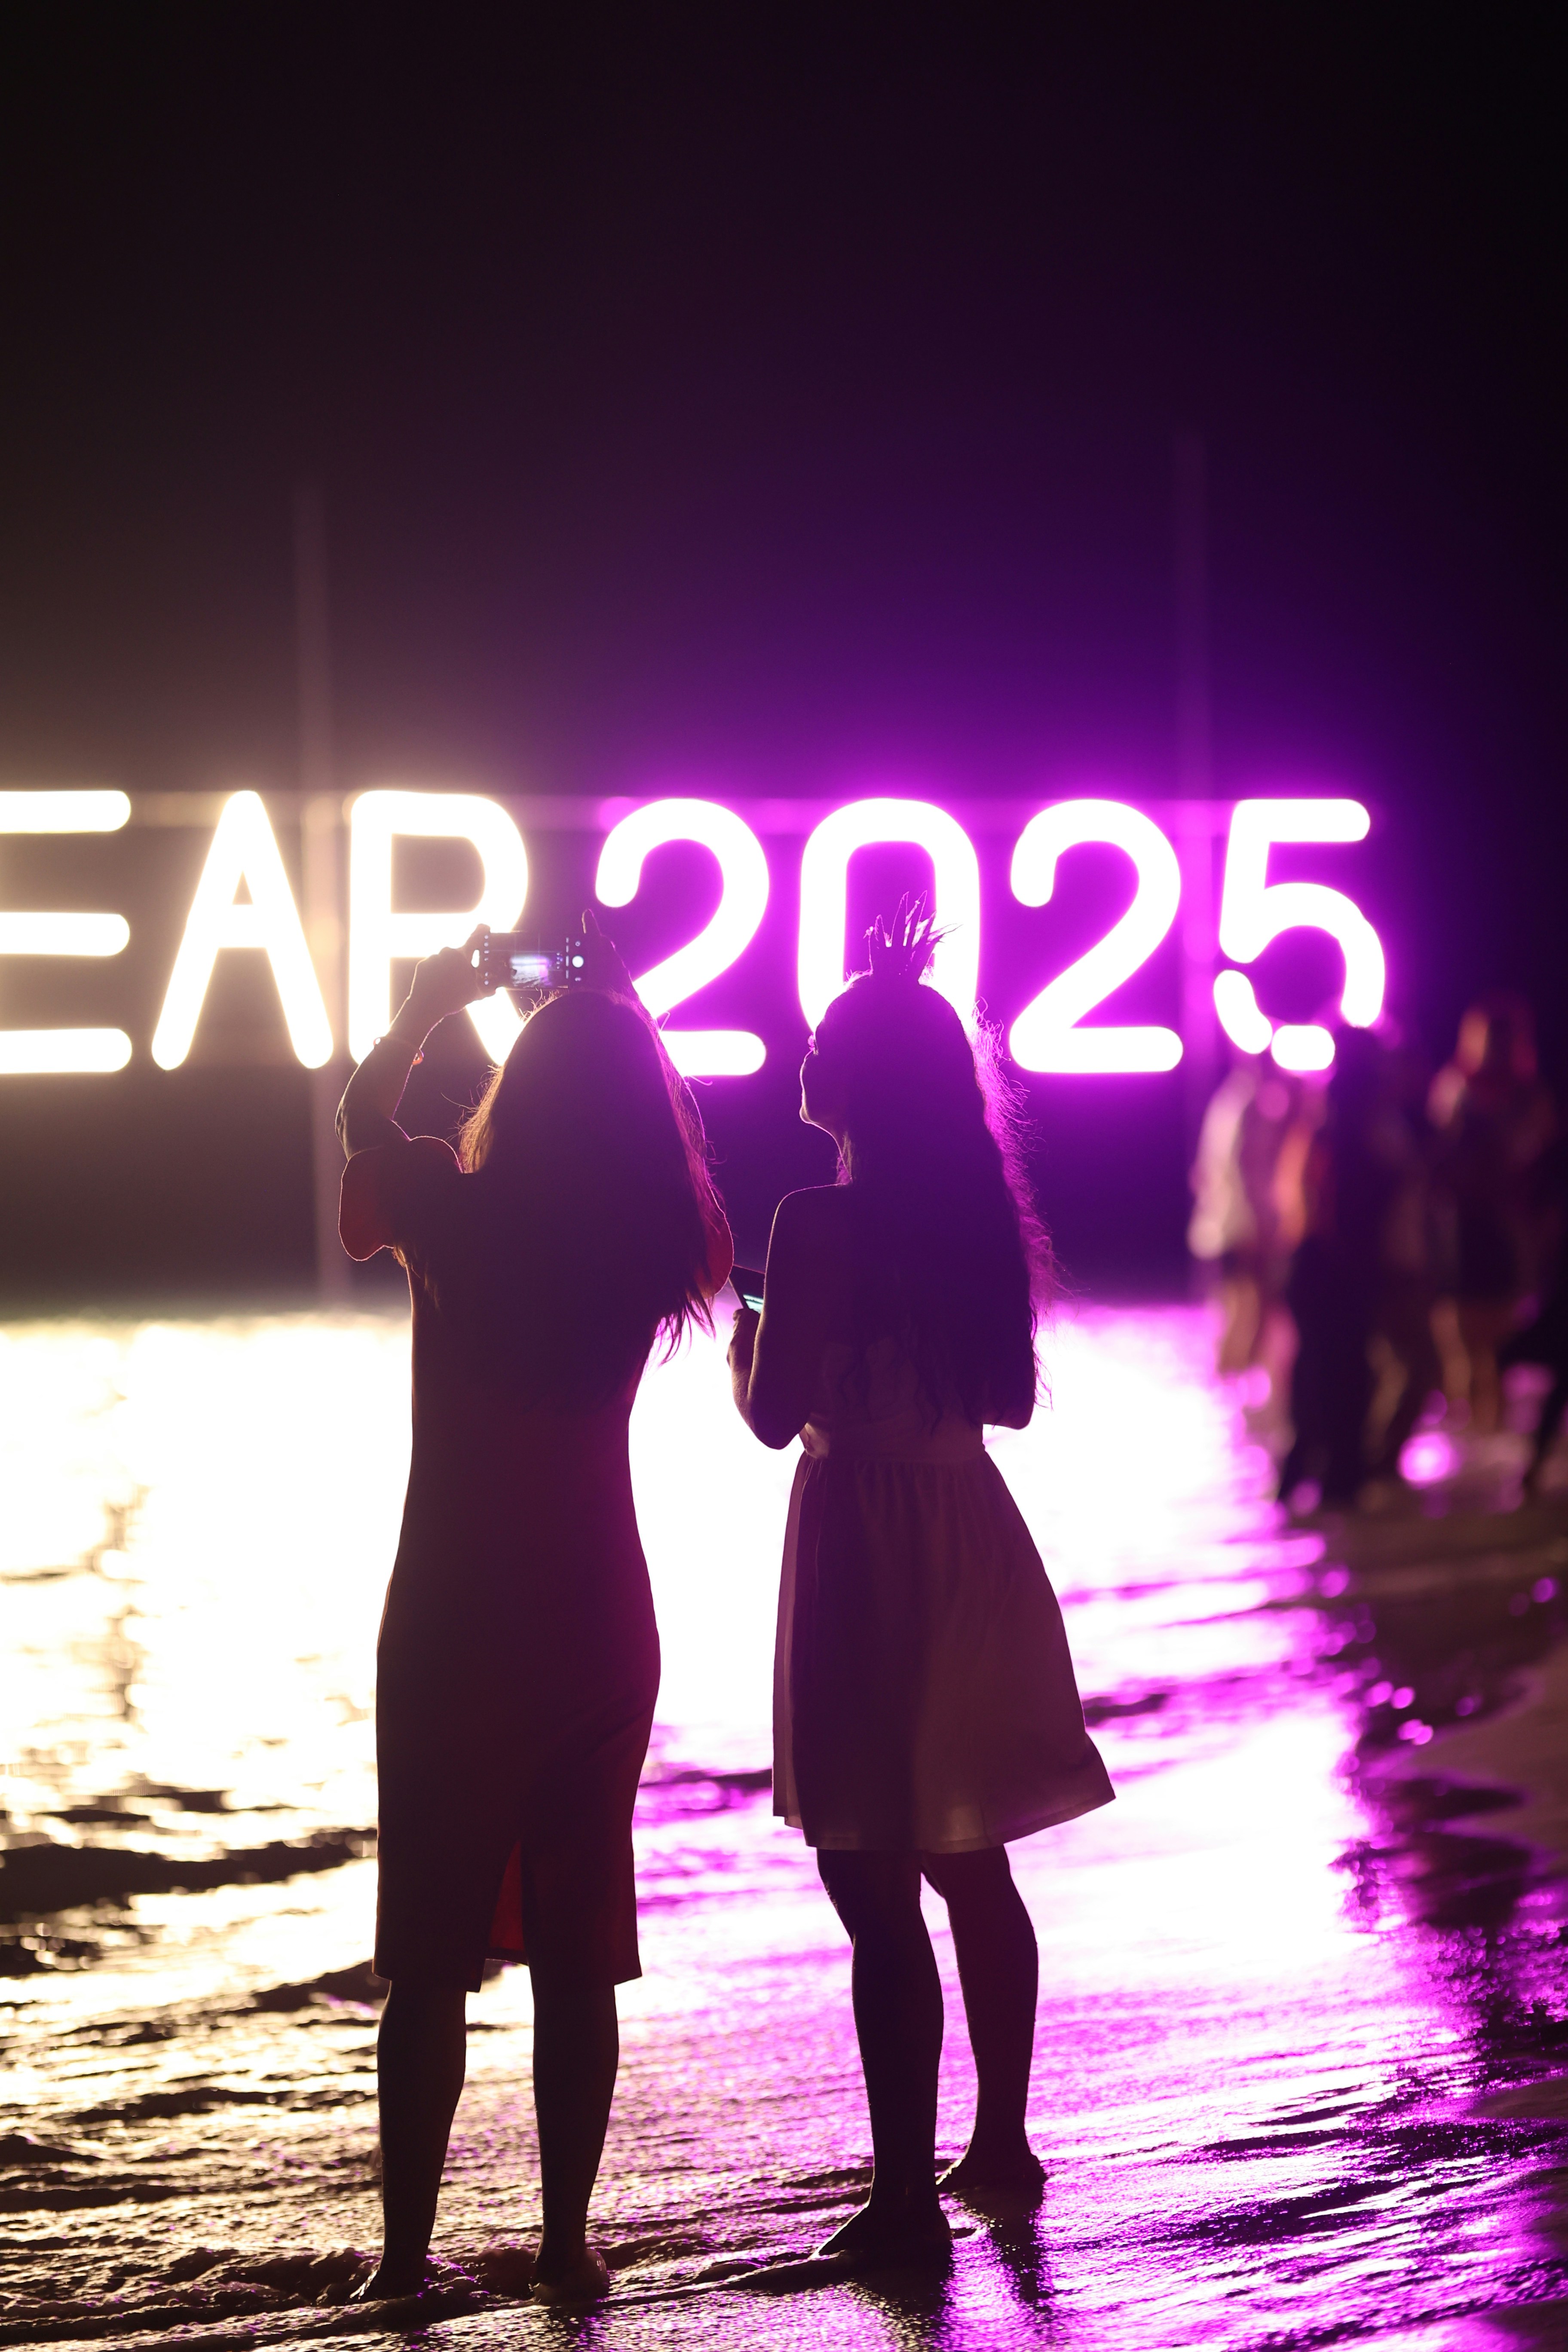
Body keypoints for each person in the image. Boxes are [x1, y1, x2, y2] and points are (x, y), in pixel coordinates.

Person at [336, 919, 731, 2305]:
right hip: (599, 1617)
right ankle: (568, 2245)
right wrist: (611, 1012)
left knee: (428, 1958)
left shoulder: (450, 1208)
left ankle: (401, 2261)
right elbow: (657, 1156)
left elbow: (358, 1133)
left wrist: (433, 1005)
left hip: (454, 1610)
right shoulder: (656, 1236)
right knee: (579, 1951)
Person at [728, 905, 1113, 2266]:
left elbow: (773, 1420)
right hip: (968, 1527)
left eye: (824, 1037)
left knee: (871, 1876)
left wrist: (756, 1324)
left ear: (861, 1081)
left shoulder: (809, 1222)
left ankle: (901, 2201)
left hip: (863, 1542)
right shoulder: (973, 1221)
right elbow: (1005, 1398)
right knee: (972, 1859)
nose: (802, 1049)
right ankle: (1001, 2144)